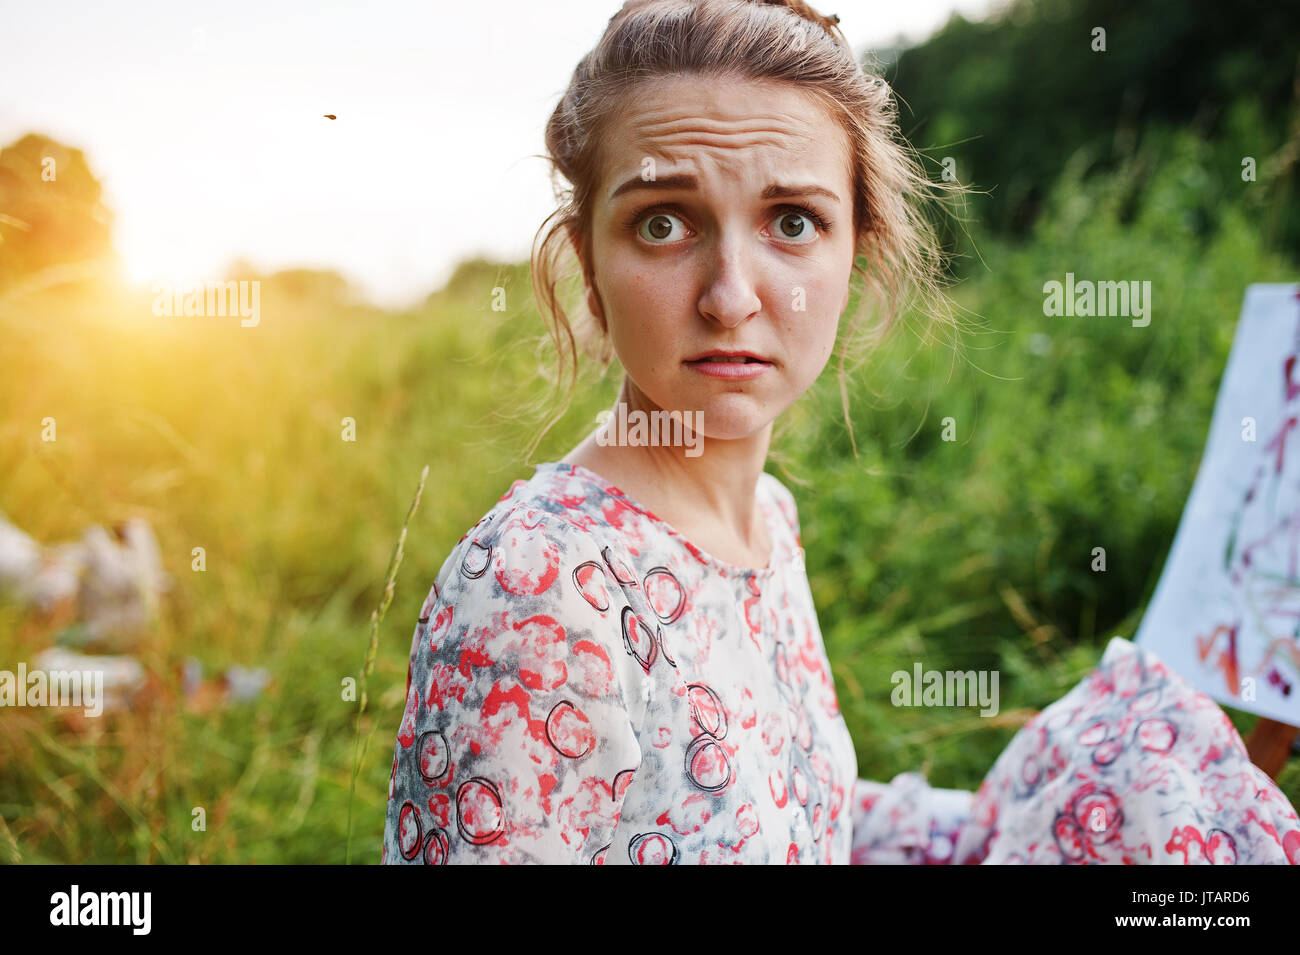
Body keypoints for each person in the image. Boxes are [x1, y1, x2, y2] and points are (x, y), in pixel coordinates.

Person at [380, 0, 1300, 864]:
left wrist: (1050, 803)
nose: (732, 295)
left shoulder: (765, 522)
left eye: (791, 221)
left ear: (855, 251)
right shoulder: (535, 593)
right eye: (663, 224)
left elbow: (783, 809)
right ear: (587, 263)